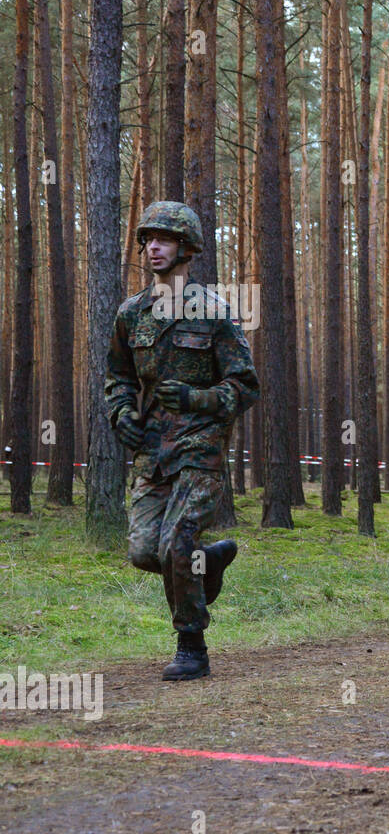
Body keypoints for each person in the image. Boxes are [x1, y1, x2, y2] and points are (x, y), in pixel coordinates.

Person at [105, 201, 260, 681]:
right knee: (144, 551)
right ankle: (208, 563)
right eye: (148, 239)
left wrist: (197, 398)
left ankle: (192, 644)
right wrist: (121, 412)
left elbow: (244, 386)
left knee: (176, 542)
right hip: (152, 452)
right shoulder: (132, 313)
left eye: (164, 239)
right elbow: (119, 377)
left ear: (186, 248)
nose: (153, 247)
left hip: (200, 447)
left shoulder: (214, 312)